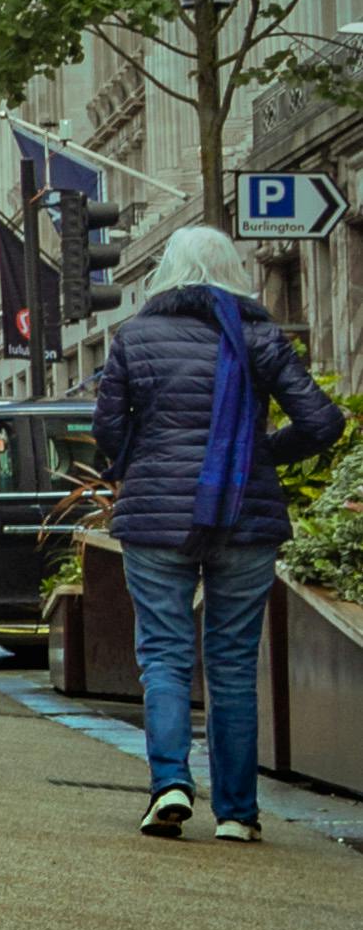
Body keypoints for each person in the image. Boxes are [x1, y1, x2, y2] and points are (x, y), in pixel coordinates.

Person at [90, 219, 341, 845]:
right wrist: (258, 456)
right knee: (232, 664)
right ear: (234, 272)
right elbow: (322, 421)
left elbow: (107, 428)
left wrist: (141, 464)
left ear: (166, 272)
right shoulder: (260, 336)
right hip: (245, 516)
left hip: (154, 519)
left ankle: (170, 785)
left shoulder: (136, 335)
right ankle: (236, 813)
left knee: (165, 657)